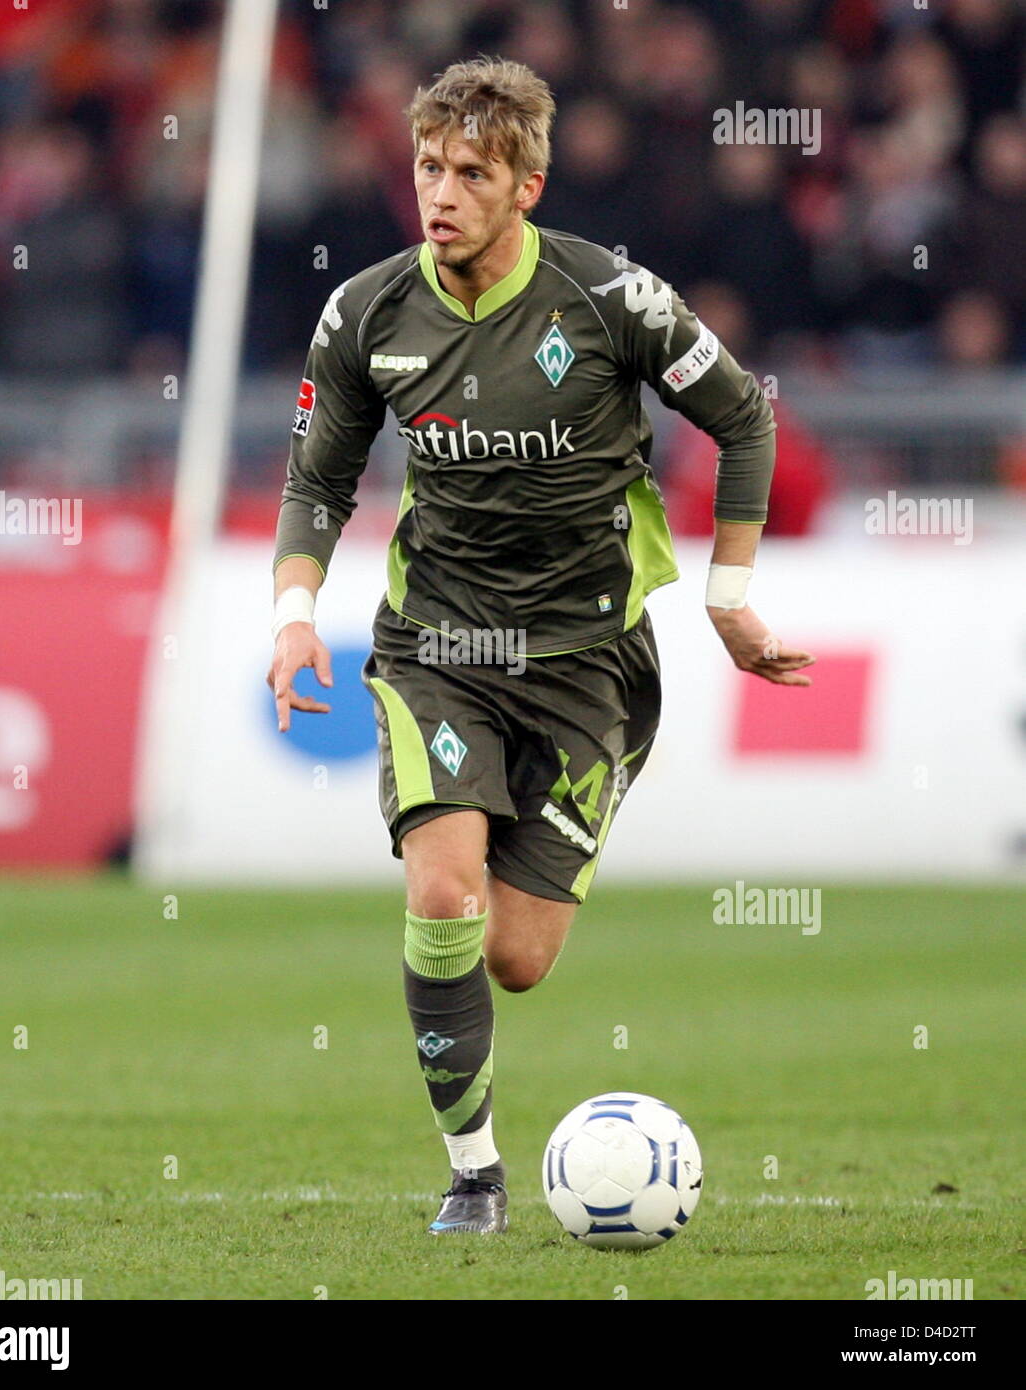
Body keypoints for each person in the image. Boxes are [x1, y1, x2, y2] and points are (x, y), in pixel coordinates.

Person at [269, 58, 813, 1236]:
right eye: (427, 167)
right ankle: (473, 1173)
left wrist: (729, 594)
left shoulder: (612, 299)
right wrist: (294, 615)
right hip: (436, 646)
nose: (442, 193)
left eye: (472, 172)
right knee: (443, 886)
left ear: (528, 185)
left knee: (516, 957)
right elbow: (317, 477)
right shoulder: (365, 312)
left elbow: (744, 417)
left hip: (587, 659)